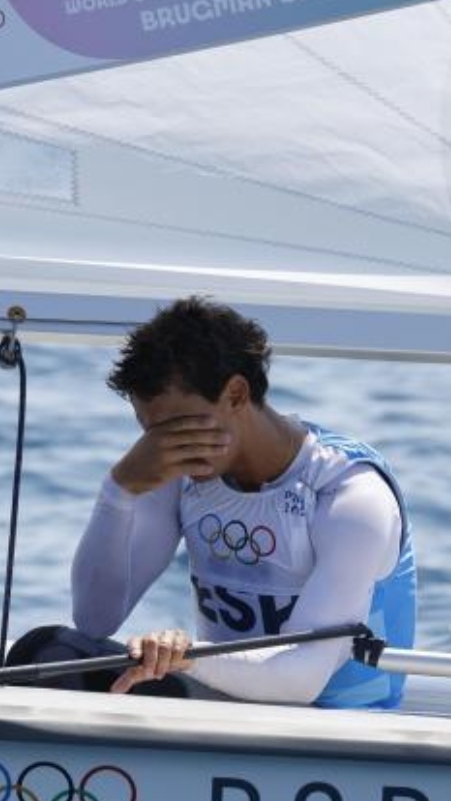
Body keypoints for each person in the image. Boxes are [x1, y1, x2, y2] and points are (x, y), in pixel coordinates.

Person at [27, 296, 415, 707]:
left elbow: (302, 680)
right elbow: (94, 619)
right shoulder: (184, 470)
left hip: (333, 723)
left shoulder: (350, 496)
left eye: (177, 426)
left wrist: (186, 656)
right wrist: (118, 490)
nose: (161, 446)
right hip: (231, 706)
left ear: (235, 394)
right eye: (150, 432)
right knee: (49, 652)